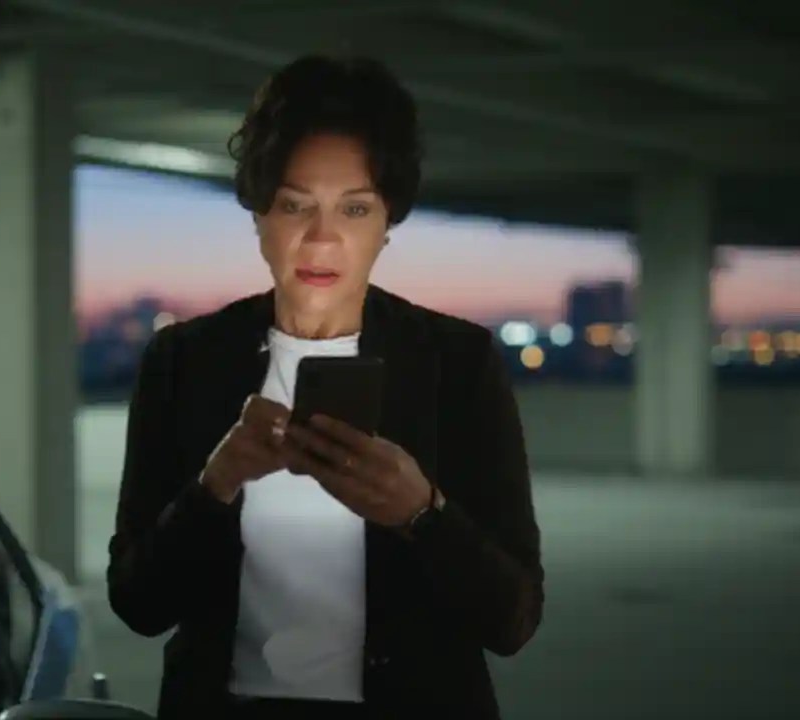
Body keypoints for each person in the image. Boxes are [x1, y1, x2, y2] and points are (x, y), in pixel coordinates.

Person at [106, 54, 544, 720]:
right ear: (258, 216)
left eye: (355, 207)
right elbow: (138, 604)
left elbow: (513, 620)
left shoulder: (456, 363)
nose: (322, 237)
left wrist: (421, 511)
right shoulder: (184, 360)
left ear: (387, 223)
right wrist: (214, 486)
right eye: (294, 205)